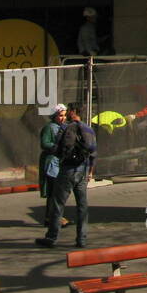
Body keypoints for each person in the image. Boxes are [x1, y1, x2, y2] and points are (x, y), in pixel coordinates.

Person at [37, 104, 97, 248]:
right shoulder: (88, 129)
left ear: (72, 113)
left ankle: (52, 237)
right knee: (82, 206)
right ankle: (81, 239)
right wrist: (90, 172)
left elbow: (57, 148)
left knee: (58, 204)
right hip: (82, 170)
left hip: (67, 170)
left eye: (68, 112)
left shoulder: (66, 128)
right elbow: (93, 152)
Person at [37, 105, 68, 226]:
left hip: (59, 162)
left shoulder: (63, 127)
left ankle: (51, 217)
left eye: (64, 115)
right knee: (54, 192)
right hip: (51, 163)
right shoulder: (49, 128)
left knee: (56, 192)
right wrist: (57, 148)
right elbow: (45, 143)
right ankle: (53, 218)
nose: (63, 118)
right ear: (55, 116)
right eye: (60, 115)